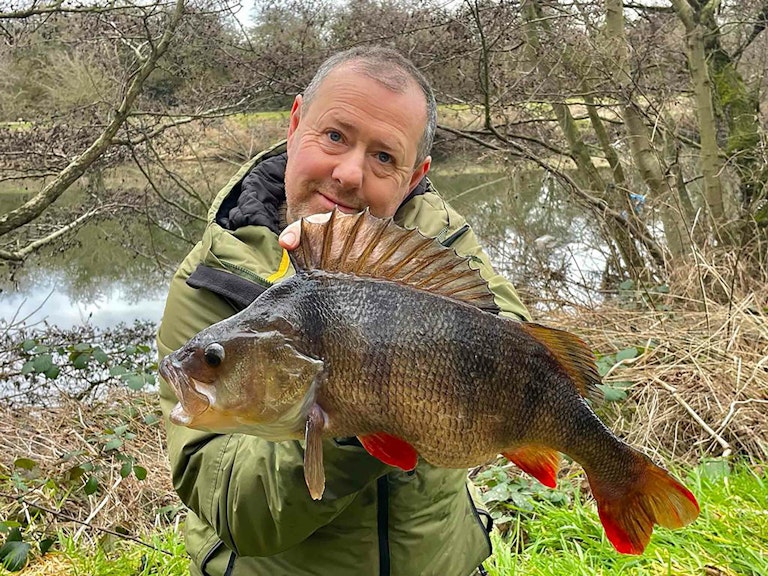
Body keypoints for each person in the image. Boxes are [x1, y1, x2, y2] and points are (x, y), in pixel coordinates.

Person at [157, 45, 530, 576]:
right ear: (294, 123)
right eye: (334, 136)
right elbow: (232, 507)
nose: (350, 174)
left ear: (414, 173)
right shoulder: (212, 278)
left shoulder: (444, 240)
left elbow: (523, 356)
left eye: (384, 157)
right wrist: (352, 417)